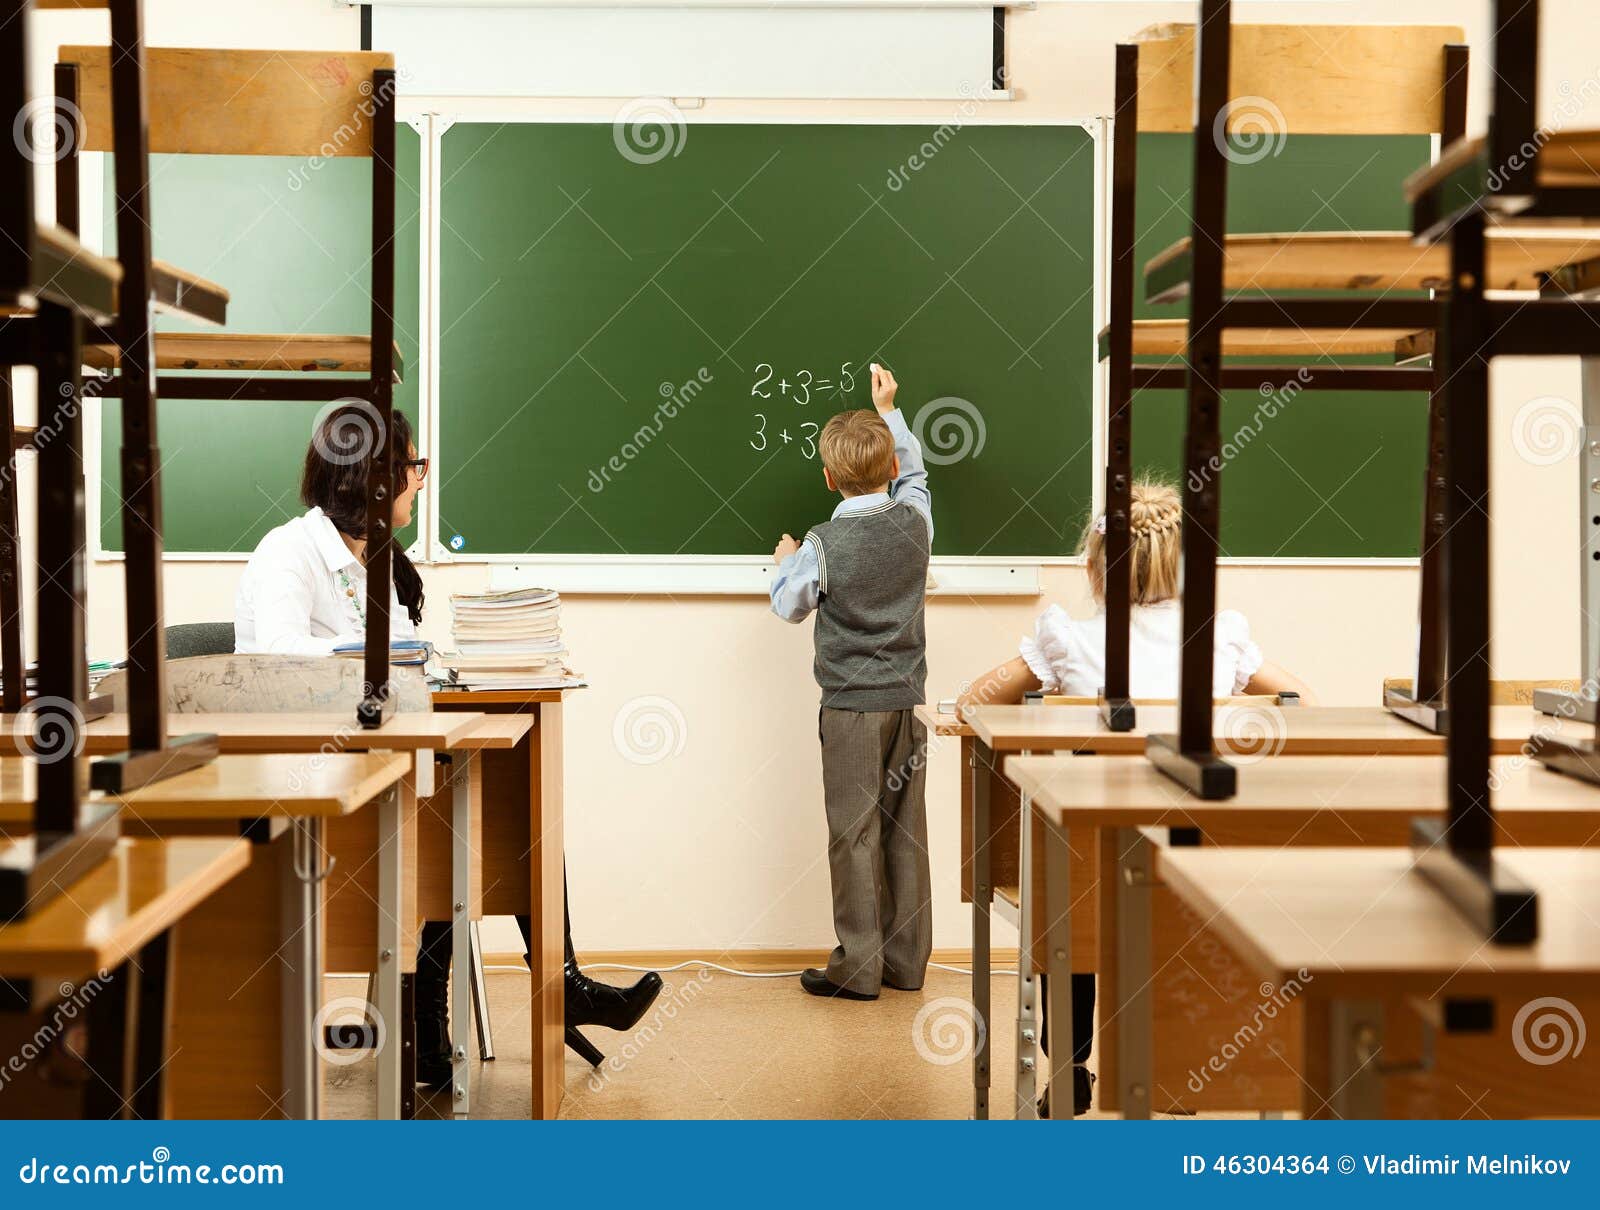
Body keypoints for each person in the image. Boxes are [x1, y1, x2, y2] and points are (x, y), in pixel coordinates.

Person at [237, 404, 662, 1088]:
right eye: (412, 466)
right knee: (445, 832)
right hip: (310, 780)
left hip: (377, 760)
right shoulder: (291, 551)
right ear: (373, 476)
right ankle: (474, 1016)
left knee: (507, 824)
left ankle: (500, 1006)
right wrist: (378, 653)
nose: (419, 480)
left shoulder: (373, 557)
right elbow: (281, 654)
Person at [958, 476, 1314, 1115]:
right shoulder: (1219, 635)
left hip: (1093, 852)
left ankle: (1069, 1068)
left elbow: (971, 704)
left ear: (1098, 565)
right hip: (1198, 857)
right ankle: (1178, 1067)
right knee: (1173, 922)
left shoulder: (1068, 637)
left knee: (1070, 904)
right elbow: (1300, 702)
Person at [769, 365, 933, 1001]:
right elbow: (916, 480)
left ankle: (859, 967)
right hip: (906, 701)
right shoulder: (916, 522)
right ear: (891, 466)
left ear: (829, 478)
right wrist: (890, 410)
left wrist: (785, 562)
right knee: (904, 831)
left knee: (853, 834)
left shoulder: (823, 541)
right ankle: (907, 964)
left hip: (850, 711)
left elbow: (790, 607)